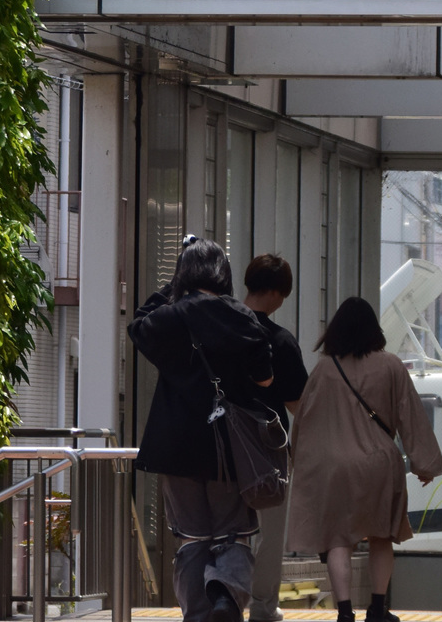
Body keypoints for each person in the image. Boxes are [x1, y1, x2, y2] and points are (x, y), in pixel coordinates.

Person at [128, 236, 276, 622]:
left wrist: (172, 286)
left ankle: (197, 615)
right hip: (229, 448)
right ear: (223, 274)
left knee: (192, 537)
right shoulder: (242, 317)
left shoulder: (170, 317)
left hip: (176, 447)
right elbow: (264, 380)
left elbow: (138, 325)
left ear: (184, 274)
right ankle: (225, 593)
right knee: (232, 532)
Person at [286, 297, 442, 622]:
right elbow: (410, 416)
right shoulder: (391, 365)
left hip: (334, 469)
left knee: (337, 540)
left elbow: (305, 420)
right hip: (378, 465)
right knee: (381, 536)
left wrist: (299, 461)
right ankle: (377, 608)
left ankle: (345, 612)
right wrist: (423, 463)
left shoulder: (325, 369)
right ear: (374, 329)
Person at [240, 254, 308, 622]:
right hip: (268, 448)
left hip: (220, 446)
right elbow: (300, 402)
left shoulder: (220, 331)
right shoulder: (280, 341)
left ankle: (222, 598)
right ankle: (262, 608)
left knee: (224, 527)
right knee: (269, 533)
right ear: (279, 294)